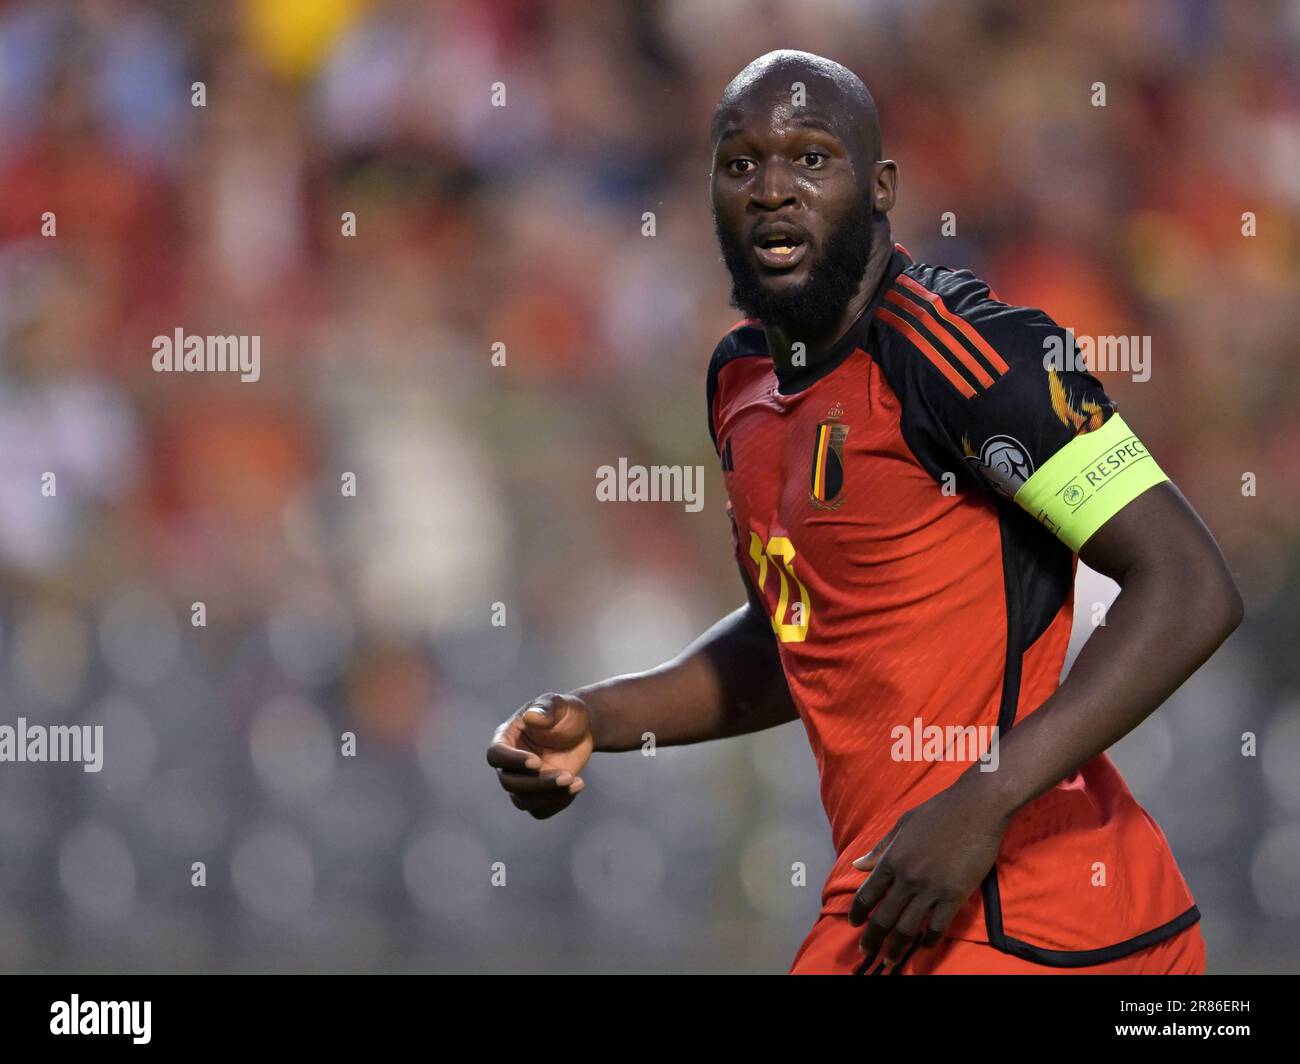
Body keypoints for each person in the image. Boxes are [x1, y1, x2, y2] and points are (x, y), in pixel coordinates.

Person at [486, 50, 1243, 974]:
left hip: (1030, 913)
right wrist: (599, 718)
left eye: (811, 158)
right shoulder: (740, 382)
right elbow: (802, 638)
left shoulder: (964, 354)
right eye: (741, 163)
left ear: (880, 187)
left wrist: (982, 800)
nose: (772, 188)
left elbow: (1191, 584)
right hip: (907, 899)